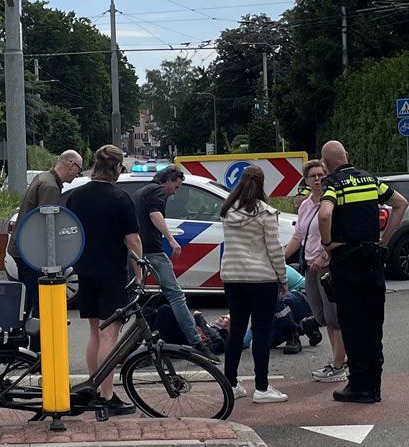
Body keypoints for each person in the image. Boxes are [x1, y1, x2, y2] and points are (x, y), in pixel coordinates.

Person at [318, 140, 408, 404]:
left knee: (352, 323)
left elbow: (325, 215)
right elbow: (401, 203)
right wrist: (383, 238)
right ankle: (375, 386)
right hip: (372, 257)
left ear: (326, 163)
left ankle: (358, 386)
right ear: (347, 156)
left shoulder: (333, 183)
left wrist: (327, 245)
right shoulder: (370, 180)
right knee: (373, 324)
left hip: (347, 259)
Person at [64, 144, 141, 416]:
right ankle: (106, 395)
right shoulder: (120, 199)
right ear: (116, 168)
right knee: (111, 334)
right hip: (111, 273)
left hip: (84, 271)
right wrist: (140, 274)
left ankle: (94, 388)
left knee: (95, 332)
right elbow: (132, 240)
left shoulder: (75, 197)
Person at [218, 167, 290, 404]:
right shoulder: (267, 213)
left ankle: (231, 383)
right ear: (262, 184)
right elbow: (274, 250)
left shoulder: (228, 211)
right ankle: (261, 387)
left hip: (233, 277)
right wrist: (282, 279)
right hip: (261, 279)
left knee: (236, 330)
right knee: (260, 332)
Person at [285, 161, 348, 383]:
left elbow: (340, 233)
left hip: (327, 267)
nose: (318, 179)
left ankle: (340, 364)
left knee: (333, 317)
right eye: (313, 176)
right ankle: (337, 361)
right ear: (307, 180)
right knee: (320, 316)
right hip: (309, 267)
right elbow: (298, 236)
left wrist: (326, 255)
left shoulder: (331, 202)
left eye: (322, 174)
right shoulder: (305, 206)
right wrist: (281, 257)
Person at [135, 165, 206, 350]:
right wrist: (172, 240)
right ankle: (196, 342)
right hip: (153, 249)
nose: (175, 192)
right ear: (169, 180)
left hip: (138, 249)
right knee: (175, 295)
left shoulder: (141, 192)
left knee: (136, 298)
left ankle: (132, 345)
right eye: (176, 186)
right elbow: (155, 214)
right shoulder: (159, 191)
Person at [11, 150, 83, 316]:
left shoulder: (44, 177)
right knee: (40, 303)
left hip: (21, 248)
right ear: (71, 164)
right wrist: (46, 261)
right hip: (29, 253)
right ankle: (38, 341)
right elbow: (44, 225)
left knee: (29, 301)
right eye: (78, 170)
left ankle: (26, 336)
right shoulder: (50, 186)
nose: (77, 175)